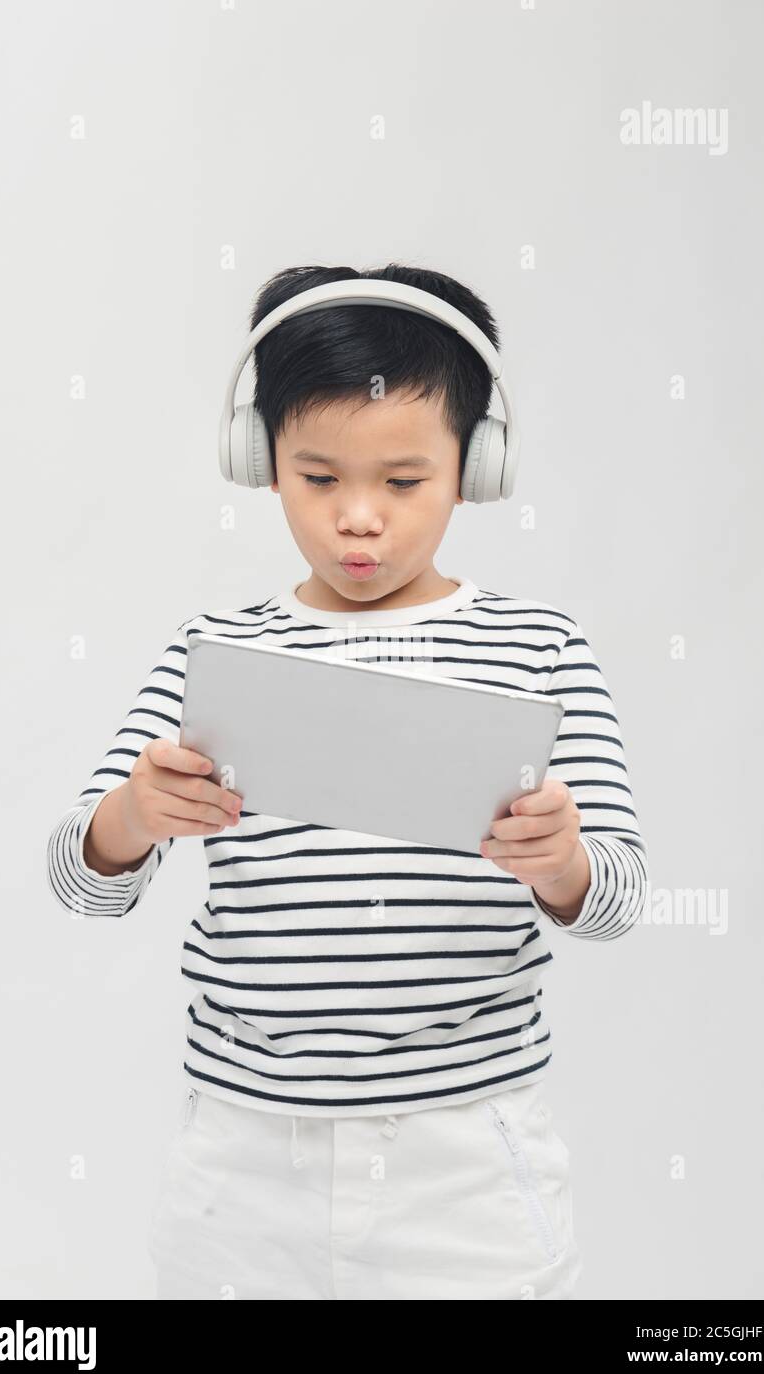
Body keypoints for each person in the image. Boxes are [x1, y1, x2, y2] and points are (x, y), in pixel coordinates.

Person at [46, 262, 649, 1300]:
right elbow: (78, 876)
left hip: (462, 1161)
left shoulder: (540, 648)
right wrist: (134, 816)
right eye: (318, 478)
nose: (357, 519)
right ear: (259, 460)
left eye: (402, 482)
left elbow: (619, 895)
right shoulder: (216, 651)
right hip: (242, 1161)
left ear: (478, 466)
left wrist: (563, 864)